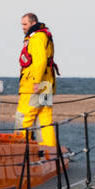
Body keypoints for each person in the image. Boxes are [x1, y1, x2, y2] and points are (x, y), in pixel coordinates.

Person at [17, 12, 59, 158]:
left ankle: (20, 153)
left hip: (34, 86)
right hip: (46, 84)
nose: (23, 27)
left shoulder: (36, 38)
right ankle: (50, 152)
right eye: (22, 24)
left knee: (24, 118)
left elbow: (40, 61)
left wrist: (36, 82)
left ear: (33, 23)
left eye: (25, 24)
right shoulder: (45, 36)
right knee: (45, 120)